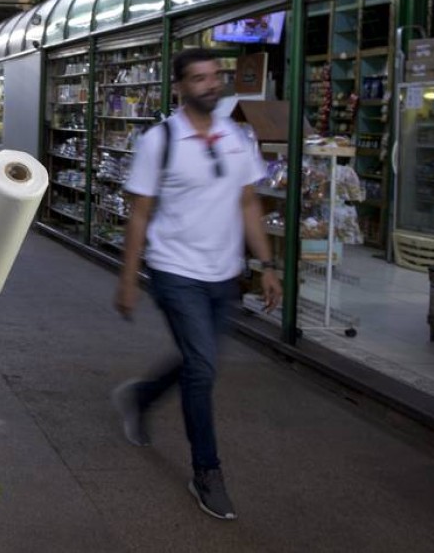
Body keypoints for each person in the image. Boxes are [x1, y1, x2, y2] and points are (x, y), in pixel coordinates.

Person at [111, 47, 283, 521]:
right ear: (180, 87)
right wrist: (128, 280)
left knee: (196, 362)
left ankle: (141, 396)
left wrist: (267, 265)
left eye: (215, 75)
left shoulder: (237, 137)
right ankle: (207, 471)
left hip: (223, 275)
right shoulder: (161, 140)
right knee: (203, 368)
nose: (210, 84)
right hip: (175, 271)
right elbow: (139, 214)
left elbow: (248, 203)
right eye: (199, 78)